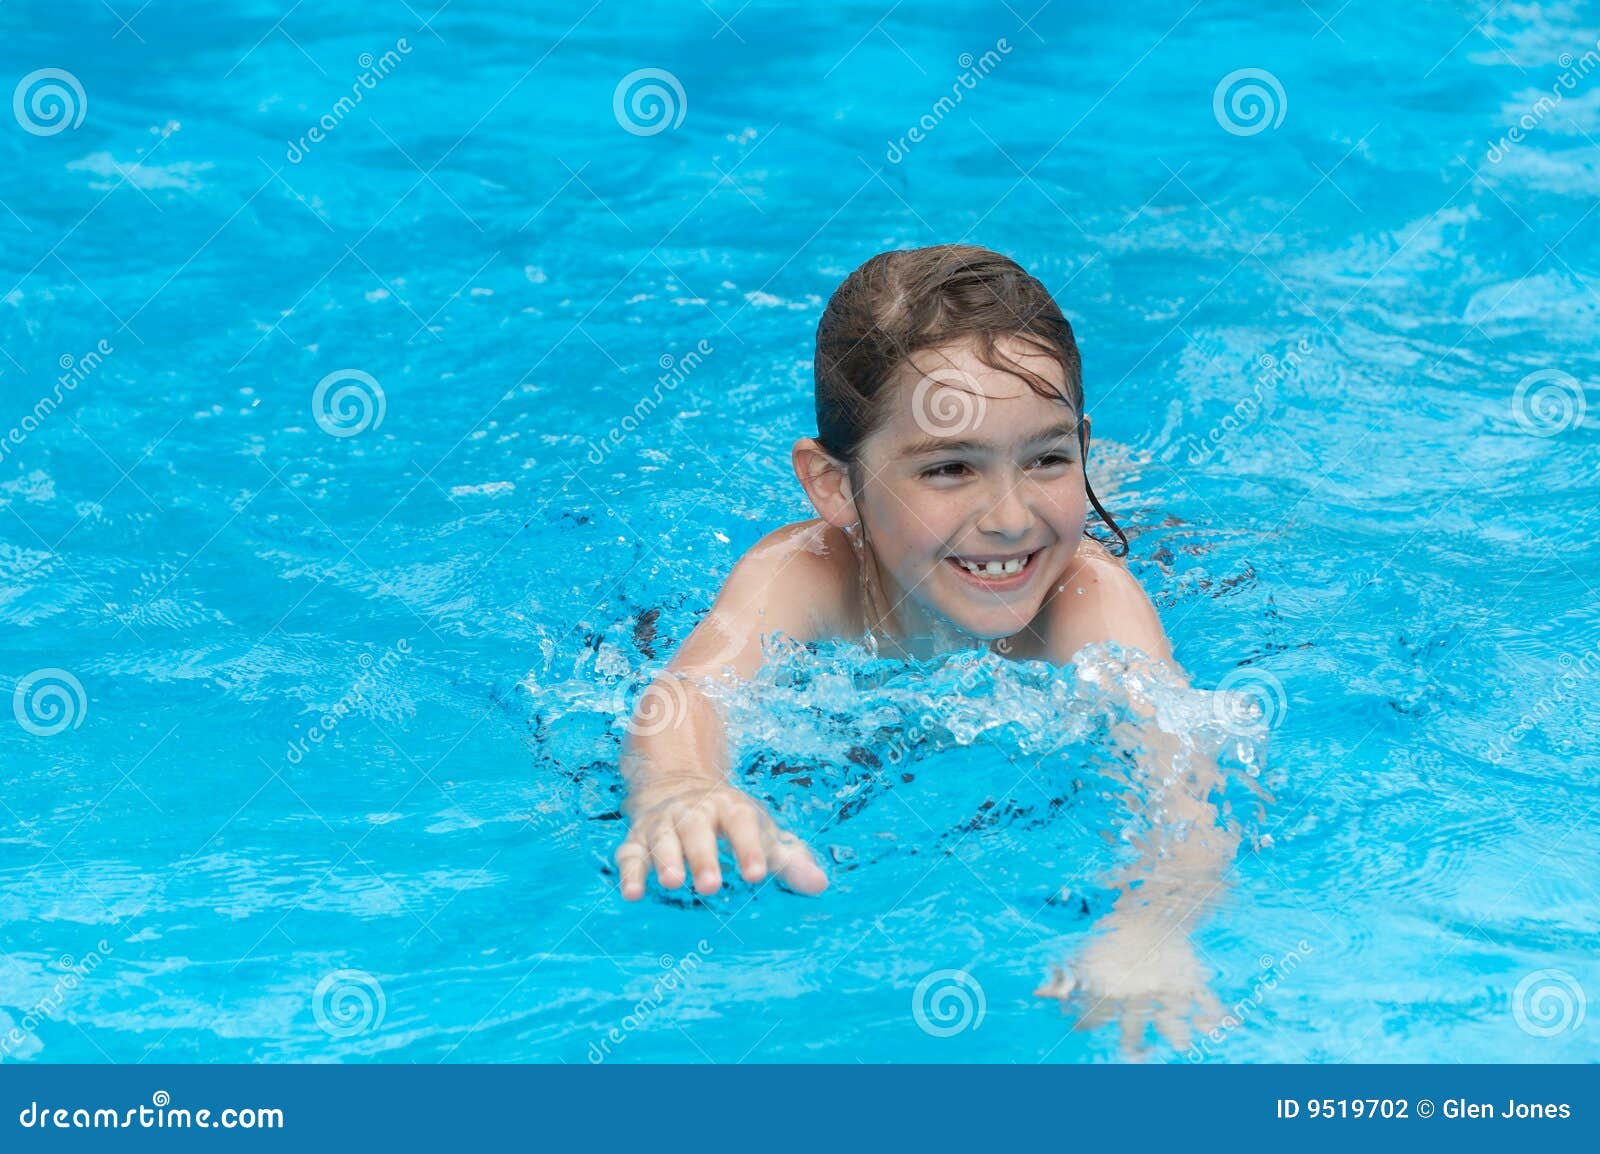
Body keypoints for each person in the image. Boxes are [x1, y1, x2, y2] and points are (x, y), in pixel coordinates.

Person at [613, 243, 1234, 1053]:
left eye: (1050, 457)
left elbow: (1179, 763)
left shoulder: (1089, 596)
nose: (1010, 516)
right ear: (834, 485)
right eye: (949, 468)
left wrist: (1153, 924)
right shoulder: (802, 574)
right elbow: (688, 692)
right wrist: (683, 787)